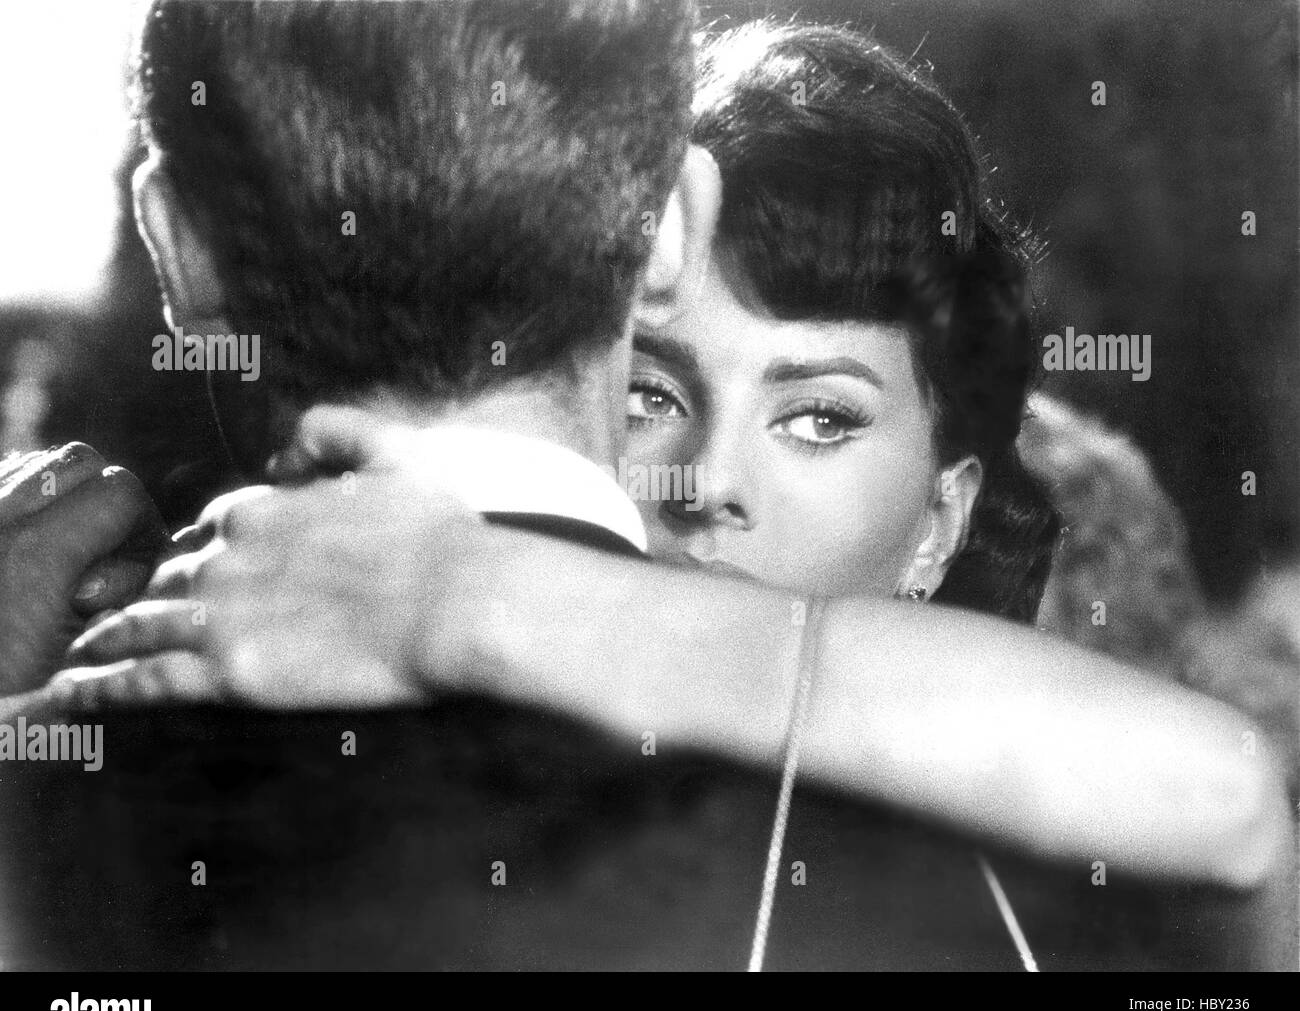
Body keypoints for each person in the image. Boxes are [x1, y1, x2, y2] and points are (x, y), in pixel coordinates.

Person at [59, 21, 1291, 903]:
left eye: (817, 417)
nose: (706, 481)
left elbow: (1228, 805)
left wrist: (461, 596)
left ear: (938, 521)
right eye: (651, 388)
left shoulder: (1068, 858)